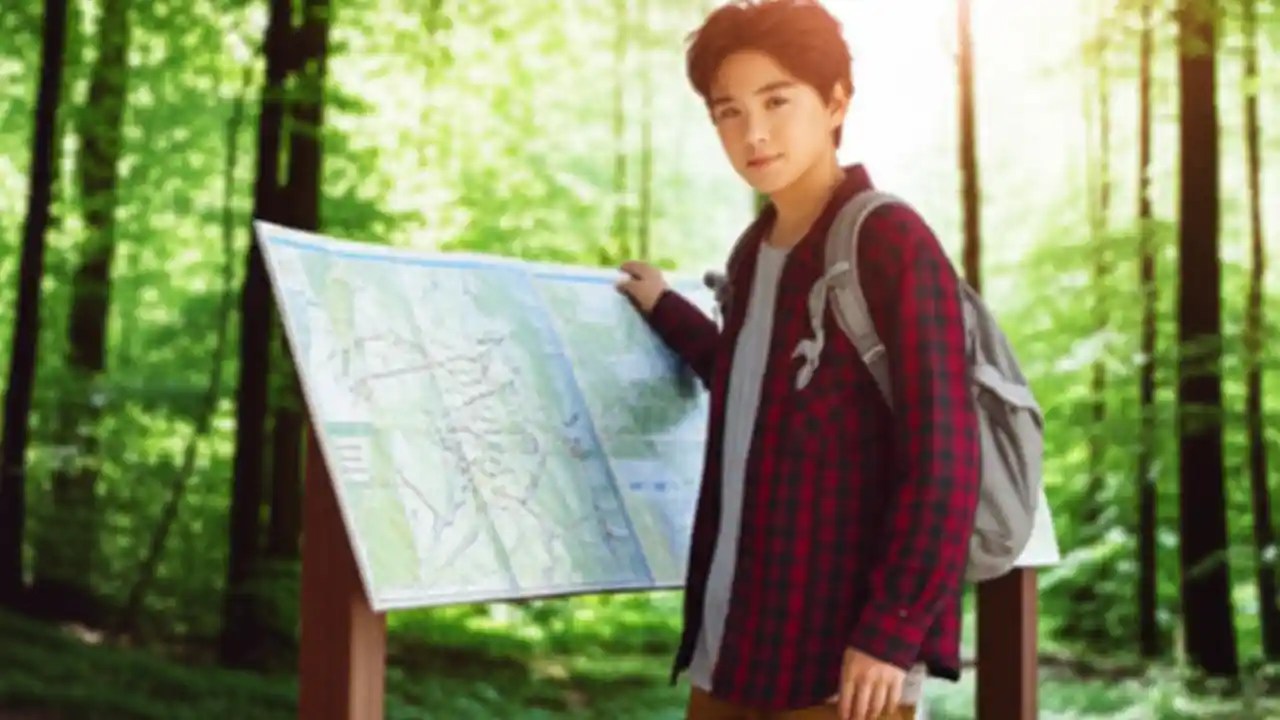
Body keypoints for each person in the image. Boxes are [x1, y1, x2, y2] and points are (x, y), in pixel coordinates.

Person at [614, 1, 982, 719]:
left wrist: (892, 629)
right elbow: (757, 392)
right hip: (733, 645)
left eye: (777, 101)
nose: (753, 132)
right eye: (728, 111)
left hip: (844, 668)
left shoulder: (890, 242)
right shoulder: (752, 256)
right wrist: (665, 308)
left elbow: (947, 458)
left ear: (836, 100)